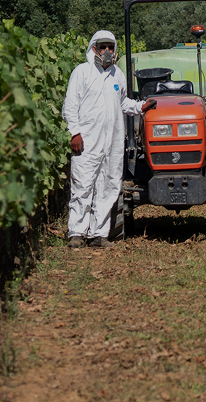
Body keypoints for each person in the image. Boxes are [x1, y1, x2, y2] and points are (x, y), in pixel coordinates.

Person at [62, 30, 147, 248]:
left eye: (111, 47)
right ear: (94, 48)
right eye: (103, 47)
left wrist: (140, 107)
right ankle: (77, 233)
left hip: (112, 142)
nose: (107, 51)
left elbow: (123, 102)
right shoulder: (82, 72)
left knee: (108, 186)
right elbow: (70, 107)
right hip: (87, 141)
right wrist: (75, 133)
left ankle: (98, 234)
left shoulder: (117, 74)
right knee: (82, 185)